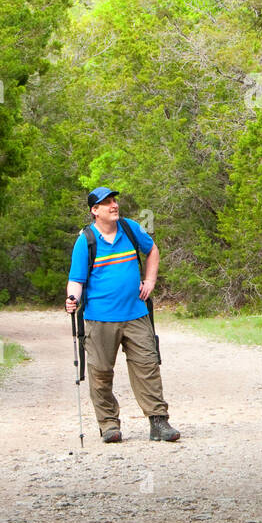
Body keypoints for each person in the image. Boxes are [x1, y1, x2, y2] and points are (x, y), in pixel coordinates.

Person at [65, 186, 180, 443]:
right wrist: (72, 299)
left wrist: (150, 280)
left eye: (114, 201)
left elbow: (152, 250)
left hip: (136, 314)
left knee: (147, 366)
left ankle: (159, 423)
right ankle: (108, 425)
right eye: (106, 203)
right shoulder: (86, 240)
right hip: (99, 318)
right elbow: (76, 280)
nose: (114, 205)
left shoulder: (130, 228)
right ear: (95, 211)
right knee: (101, 372)